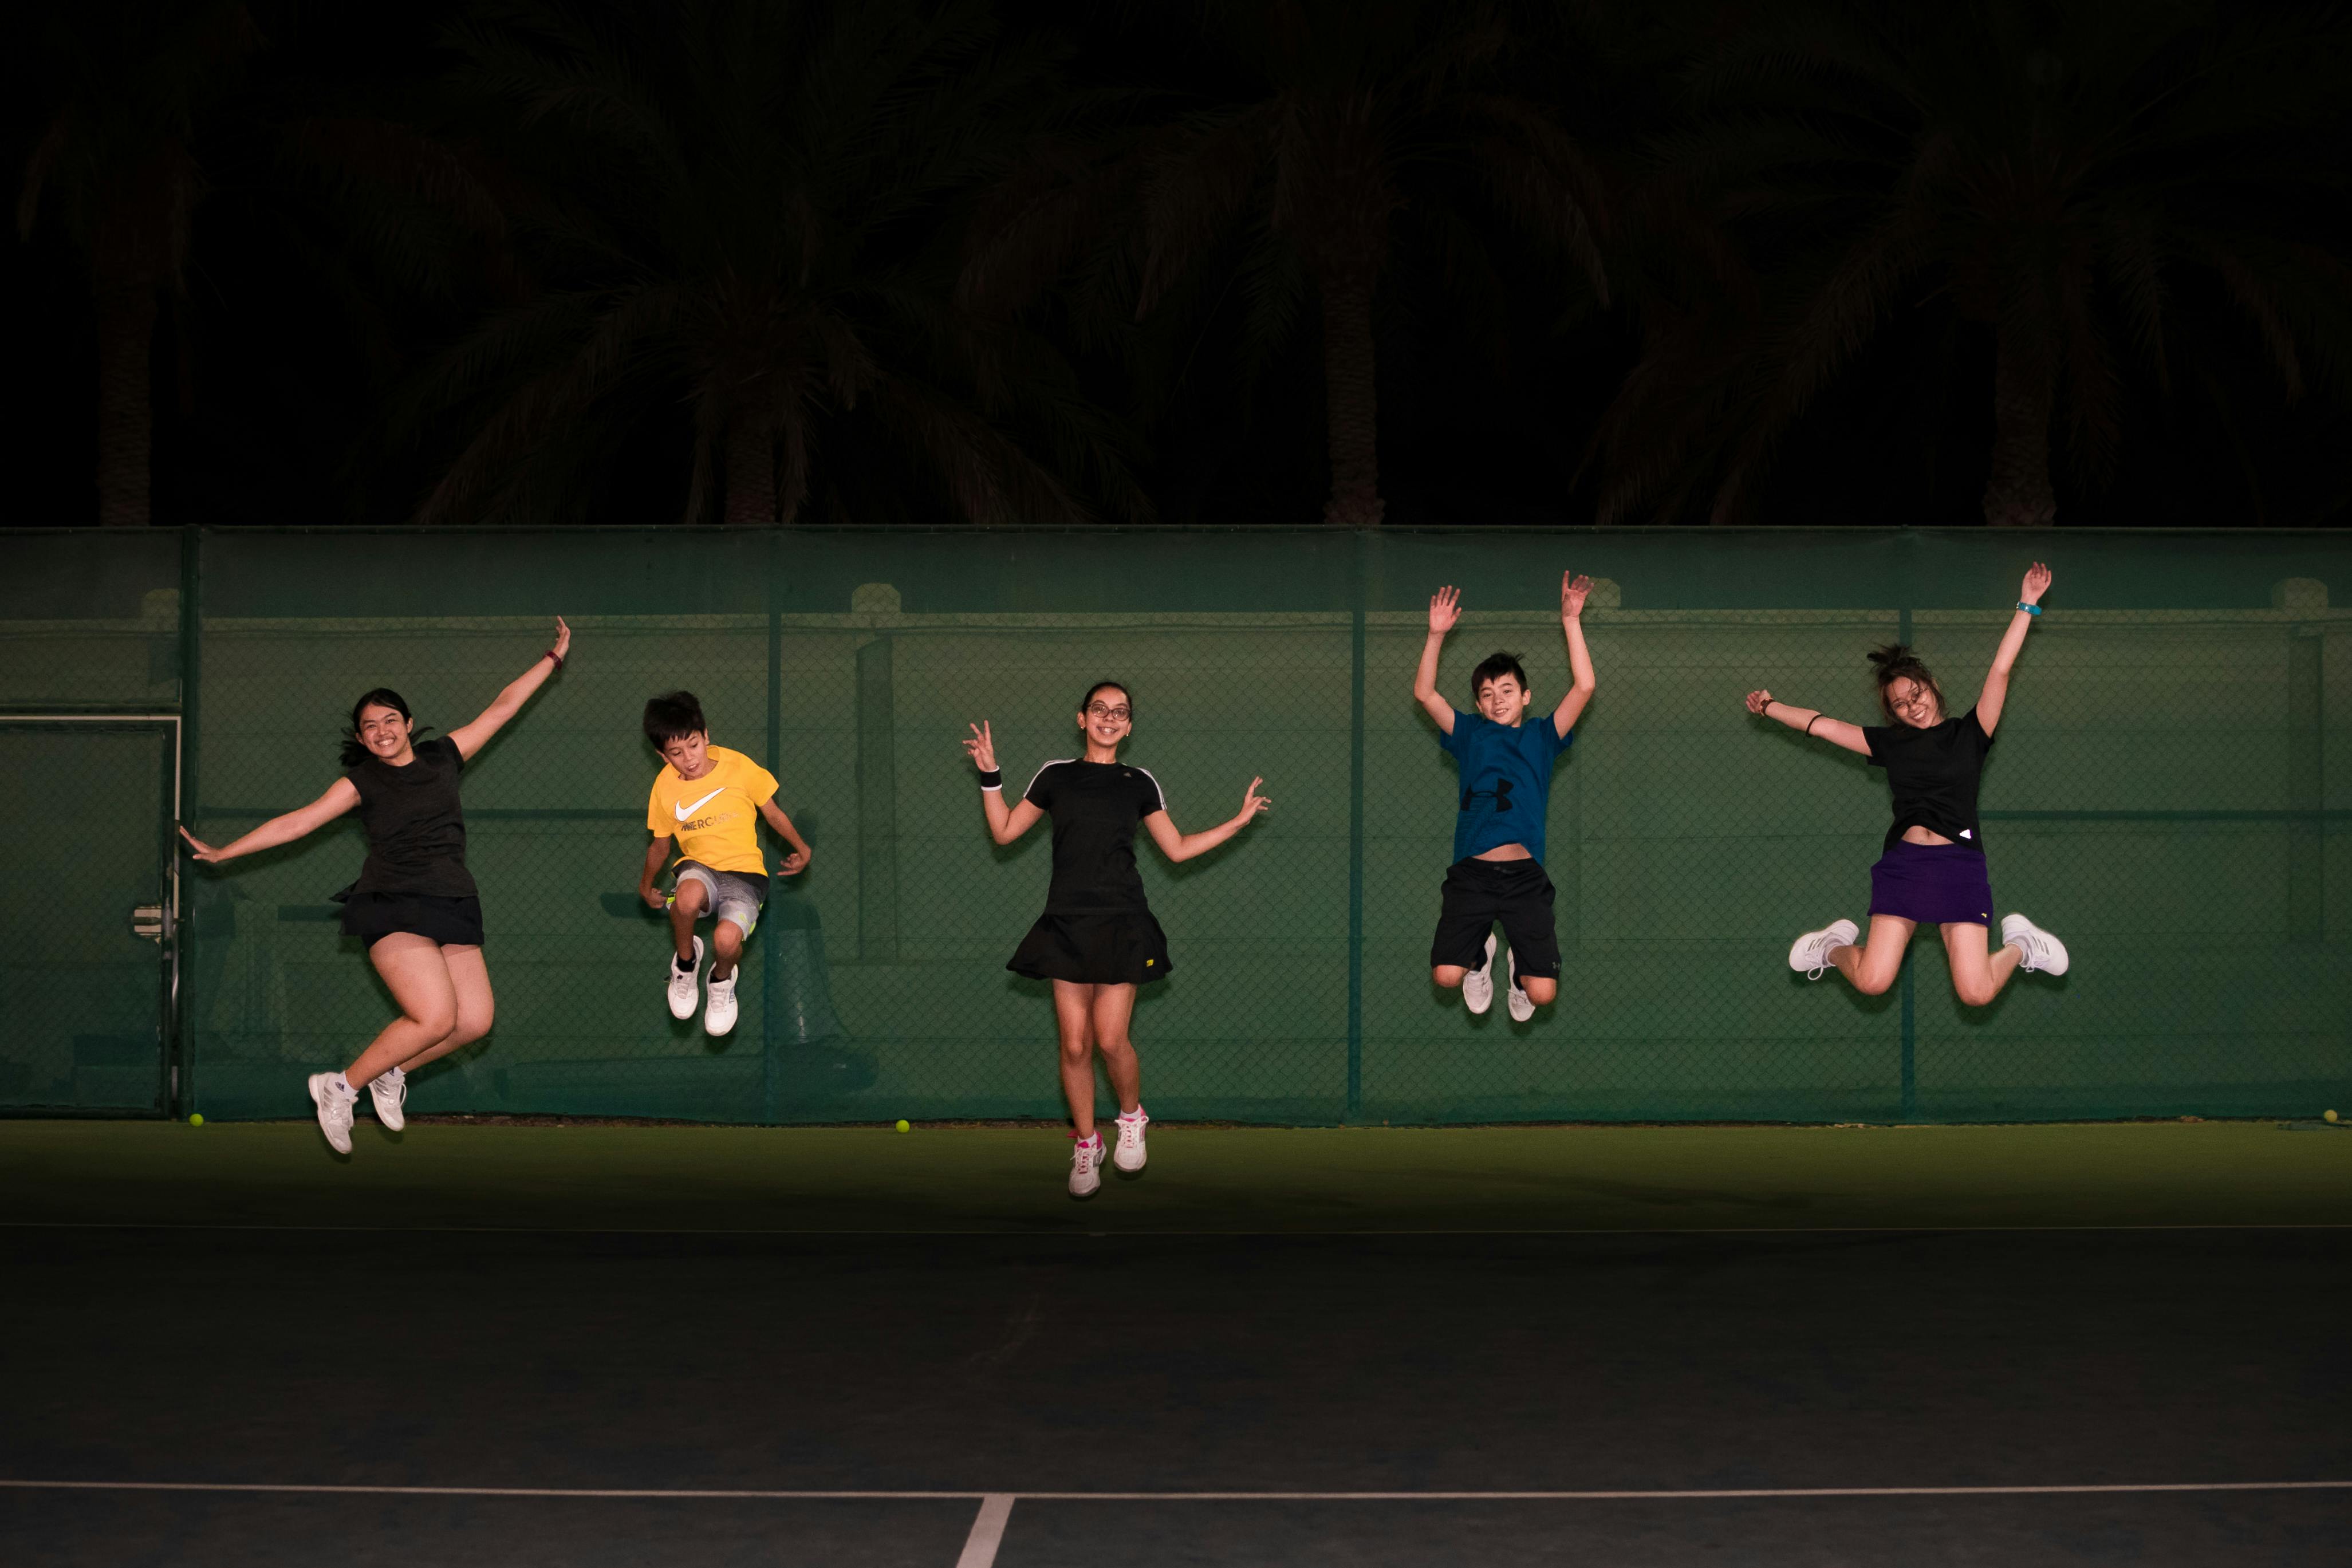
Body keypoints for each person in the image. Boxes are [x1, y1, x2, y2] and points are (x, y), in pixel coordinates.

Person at [180, 620, 572, 1154]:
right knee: (434, 1016)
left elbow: (501, 708)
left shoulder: (444, 757)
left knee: (473, 1023)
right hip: (391, 902)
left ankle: (391, 1072)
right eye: (370, 726)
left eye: (391, 719)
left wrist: (551, 660)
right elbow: (300, 821)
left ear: (409, 723)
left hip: (453, 899)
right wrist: (227, 851)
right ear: (361, 738)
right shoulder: (360, 782)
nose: (382, 730)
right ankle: (339, 1087)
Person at [962, 682, 1270, 1197]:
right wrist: (990, 776)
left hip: (1122, 921)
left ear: (1128, 727)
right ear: (1082, 719)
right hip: (1065, 922)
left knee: (1108, 1040)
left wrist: (1236, 822)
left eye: (1120, 713)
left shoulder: (1138, 782)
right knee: (1075, 1043)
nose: (1109, 718)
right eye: (1099, 710)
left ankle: (1131, 1117)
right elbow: (1006, 832)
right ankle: (1087, 1144)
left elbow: (1175, 848)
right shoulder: (1055, 776)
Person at [1747, 562, 2069, 1004]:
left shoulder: (1970, 734)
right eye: (1899, 705)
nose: (1911, 707)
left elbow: (1998, 672)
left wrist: (2026, 605)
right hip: (1905, 866)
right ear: (1893, 714)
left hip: (1959, 865)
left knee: (1975, 993)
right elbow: (1822, 727)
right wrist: (1769, 707)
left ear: (1931, 686)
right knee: (1872, 982)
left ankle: (2022, 945)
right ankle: (1831, 946)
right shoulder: (1889, 744)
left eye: (1915, 694)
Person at [1413, 572, 1597, 1023]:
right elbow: (1424, 693)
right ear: (1478, 705)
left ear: (1526, 696)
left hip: (1523, 877)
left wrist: (1571, 620)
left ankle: (1517, 973)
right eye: (1487, 695)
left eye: (1506, 691)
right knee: (1445, 978)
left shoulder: (1543, 736)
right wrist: (1435, 635)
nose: (1497, 701)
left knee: (1543, 995)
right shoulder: (1468, 734)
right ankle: (1480, 955)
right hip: (1472, 875)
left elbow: (1585, 688)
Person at [637, 690, 811, 1036]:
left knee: (726, 942)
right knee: (685, 900)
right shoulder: (664, 789)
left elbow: (772, 813)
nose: (688, 758)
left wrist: (801, 848)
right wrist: (646, 885)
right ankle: (685, 965)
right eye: (676, 753)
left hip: (746, 876)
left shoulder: (739, 766)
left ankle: (720, 982)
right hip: (699, 867)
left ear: (706, 735)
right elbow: (660, 845)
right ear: (662, 755)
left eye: (693, 745)